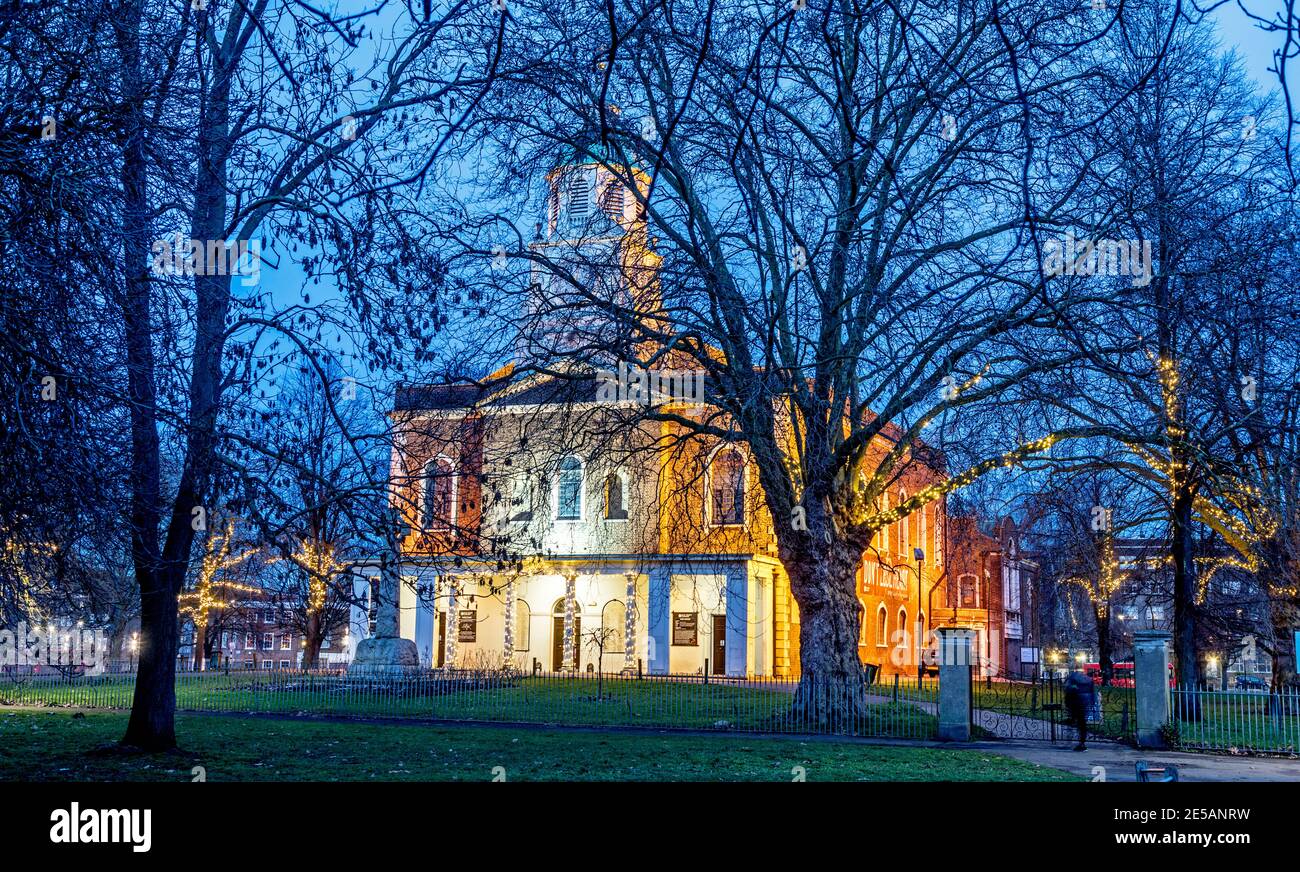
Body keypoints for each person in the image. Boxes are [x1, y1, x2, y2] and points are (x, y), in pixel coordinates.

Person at [1062, 668, 1096, 751]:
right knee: (1082, 723)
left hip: (1075, 703)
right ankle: (1082, 742)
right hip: (1085, 703)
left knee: (1074, 721)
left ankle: (1070, 741)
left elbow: (1067, 689)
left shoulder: (1072, 678)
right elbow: (1093, 693)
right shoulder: (1088, 680)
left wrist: (1067, 703)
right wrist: (1092, 703)